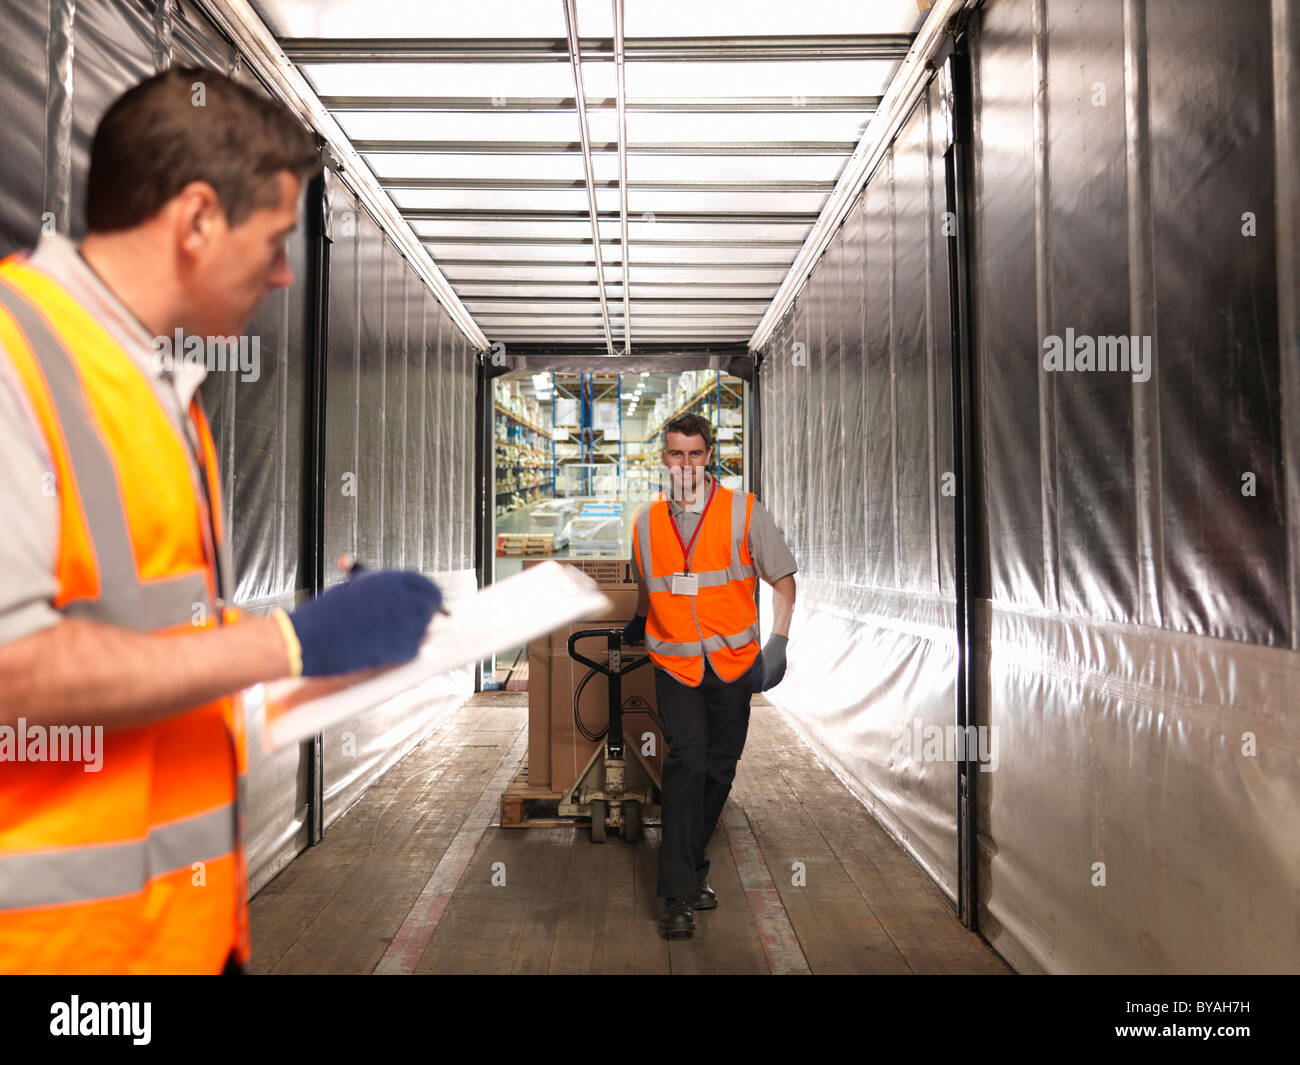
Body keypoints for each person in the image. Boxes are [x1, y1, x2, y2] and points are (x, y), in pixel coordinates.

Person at [0, 67, 441, 974]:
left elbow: (145, 634)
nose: (285, 274)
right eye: (275, 239)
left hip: (180, 941)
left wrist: (320, 636)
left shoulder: (159, 390)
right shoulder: (16, 360)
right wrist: (283, 643)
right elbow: (13, 670)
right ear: (197, 219)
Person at [624, 412, 797, 940]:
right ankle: (676, 893)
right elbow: (651, 583)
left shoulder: (745, 512)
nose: (685, 464)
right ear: (663, 458)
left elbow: (784, 579)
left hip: (733, 664)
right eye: (675, 454)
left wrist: (779, 642)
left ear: (709, 455)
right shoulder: (645, 520)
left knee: (720, 769)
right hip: (675, 664)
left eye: (695, 454)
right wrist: (637, 618)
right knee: (687, 762)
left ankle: (693, 865)